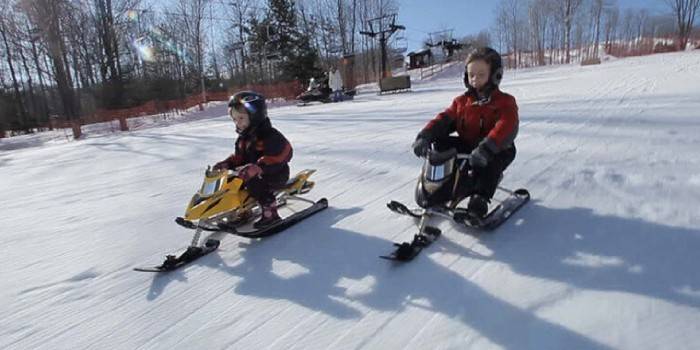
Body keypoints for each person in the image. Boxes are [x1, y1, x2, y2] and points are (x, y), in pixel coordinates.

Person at [411, 47, 519, 218]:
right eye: (471, 74)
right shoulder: (462, 102)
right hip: (469, 145)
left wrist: (487, 148)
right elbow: (444, 119)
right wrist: (425, 136)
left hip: (497, 148)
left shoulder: (505, 102)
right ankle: (437, 189)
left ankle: (479, 198)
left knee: (488, 165)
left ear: (495, 75)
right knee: (440, 144)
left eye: (481, 74)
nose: (475, 79)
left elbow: (507, 125)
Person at [214, 91, 293, 228]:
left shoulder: (270, 135)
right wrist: (228, 163)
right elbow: (239, 157)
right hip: (249, 173)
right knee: (231, 181)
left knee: (254, 183)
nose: (237, 123)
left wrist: (259, 166)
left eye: (241, 118)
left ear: (255, 116)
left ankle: (271, 213)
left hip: (275, 174)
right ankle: (243, 210)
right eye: (234, 120)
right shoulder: (243, 139)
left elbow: (283, 153)